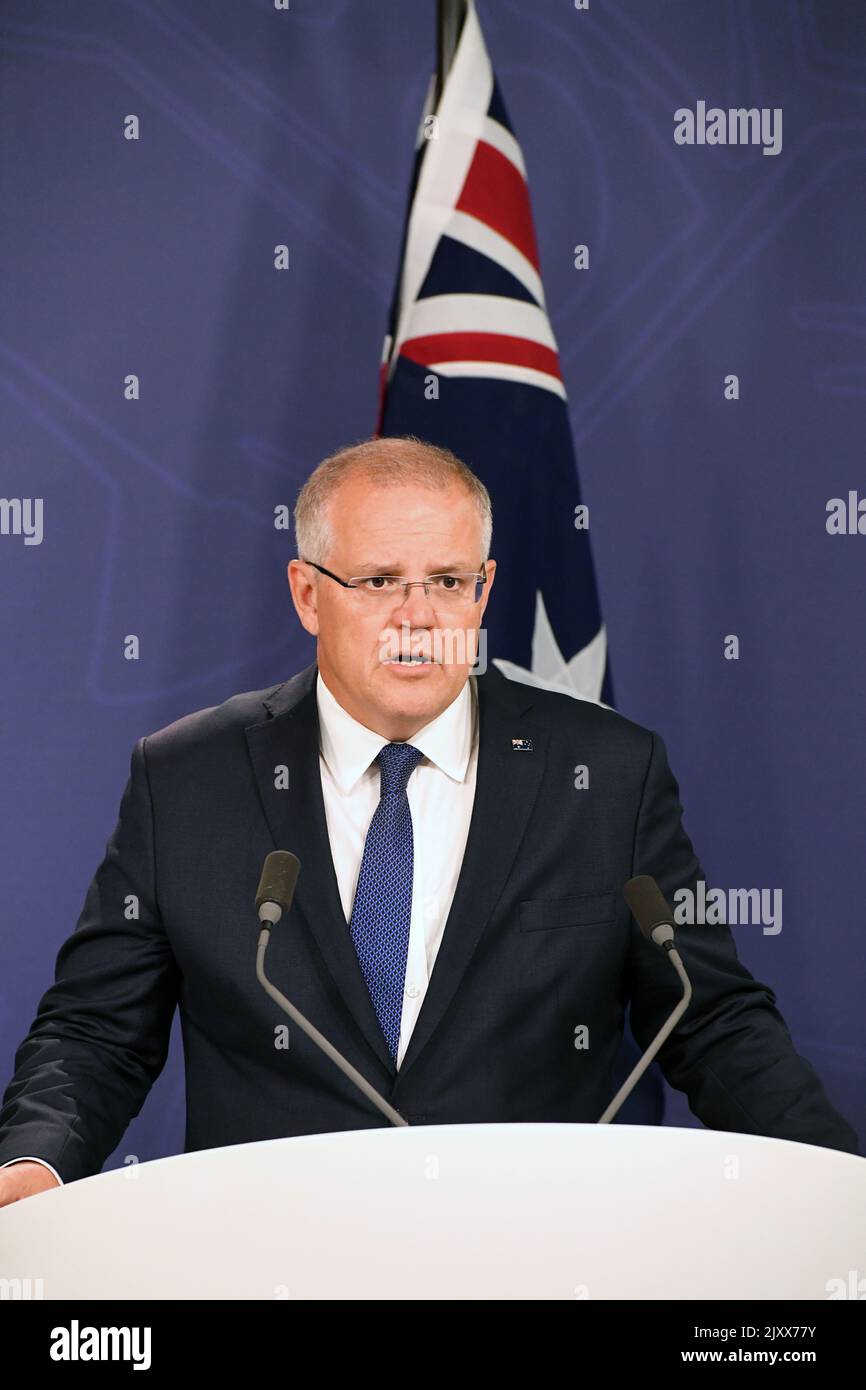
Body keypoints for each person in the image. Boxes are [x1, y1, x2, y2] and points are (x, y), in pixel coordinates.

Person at [0, 436, 857, 1205]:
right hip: (273, 1266)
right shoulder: (188, 779)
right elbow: (96, 1032)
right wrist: (31, 1167)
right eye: (379, 583)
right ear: (307, 594)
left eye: (448, 582)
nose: (419, 619)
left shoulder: (606, 774)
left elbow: (709, 1021)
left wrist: (836, 1188)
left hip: (534, 1261)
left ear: (483, 592)